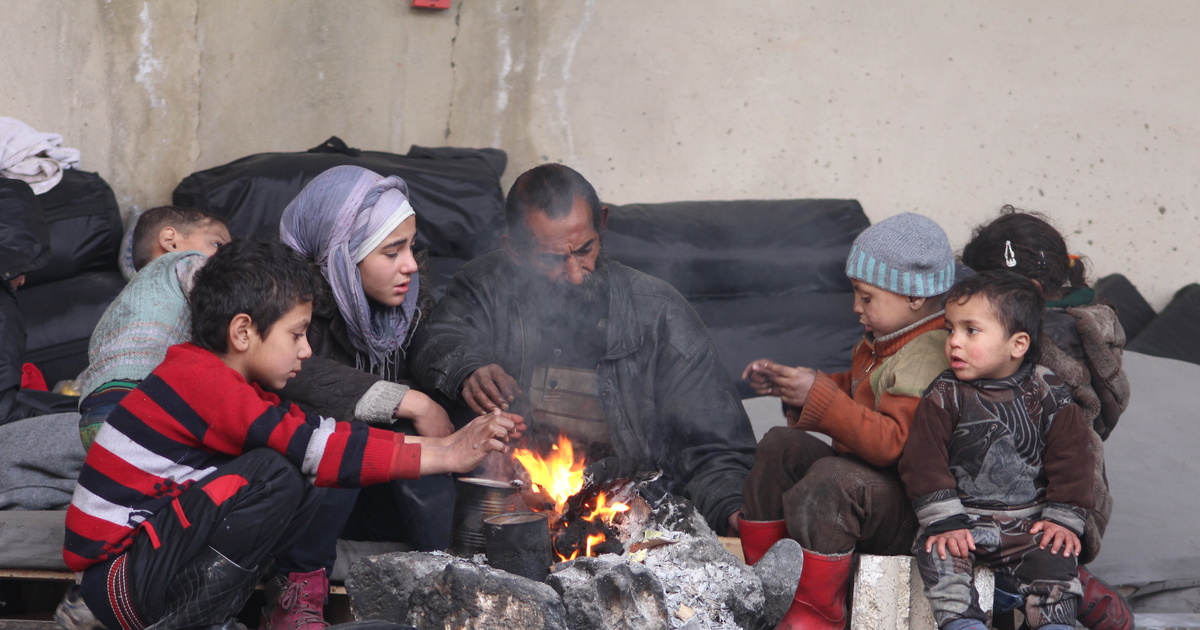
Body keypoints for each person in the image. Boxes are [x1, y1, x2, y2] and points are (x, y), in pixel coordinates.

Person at [62, 239, 522, 630]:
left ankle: (207, 616)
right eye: (297, 334)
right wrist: (447, 457)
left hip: (141, 571)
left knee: (300, 469)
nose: (305, 351)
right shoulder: (203, 384)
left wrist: (449, 443)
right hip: (117, 581)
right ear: (243, 332)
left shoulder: (234, 388)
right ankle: (192, 622)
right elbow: (316, 448)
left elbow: (322, 433)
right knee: (278, 471)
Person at [410, 162, 756, 537]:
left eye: (585, 250)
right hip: (514, 511)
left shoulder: (660, 313)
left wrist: (730, 510)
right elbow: (438, 336)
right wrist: (466, 369)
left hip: (628, 518)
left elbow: (716, 445)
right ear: (514, 249)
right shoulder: (484, 285)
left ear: (601, 222)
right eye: (552, 259)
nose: (575, 274)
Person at [738, 212, 956, 629]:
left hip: (910, 510)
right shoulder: (883, 342)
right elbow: (860, 393)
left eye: (866, 297)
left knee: (833, 478)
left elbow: (893, 443)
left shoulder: (928, 353)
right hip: (870, 489)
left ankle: (814, 614)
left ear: (914, 296)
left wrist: (819, 396)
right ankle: (762, 584)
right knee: (780, 445)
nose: (856, 308)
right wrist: (797, 387)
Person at [270, 165, 454, 630]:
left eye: (410, 247)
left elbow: (439, 343)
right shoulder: (283, 303)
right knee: (343, 437)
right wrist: (411, 401)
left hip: (380, 503)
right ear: (342, 254)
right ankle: (296, 591)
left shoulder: (408, 303)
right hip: (304, 505)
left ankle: (447, 576)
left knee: (426, 444)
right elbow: (295, 375)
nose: (410, 265)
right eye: (392, 251)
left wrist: (468, 374)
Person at [962, 206, 1132, 630]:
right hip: (1080, 492)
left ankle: (1077, 588)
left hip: (1038, 496)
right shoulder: (1092, 325)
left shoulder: (1035, 337)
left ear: (1029, 291)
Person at [898, 270, 1094, 630]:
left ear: (1017, 345)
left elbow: (1074, 458)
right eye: (950, 329)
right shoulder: (944, 393)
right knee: (939, 557)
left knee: (1055, 561)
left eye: (970, 330)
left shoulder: (1048, 391)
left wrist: (1063, 518)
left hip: (1029, 525)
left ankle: (1054, 623)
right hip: (961, 522)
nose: (954, 342)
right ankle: (963, 623)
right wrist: (944, 522)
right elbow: (923, 462)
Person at [76, 205, 232, 449]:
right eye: (218, 245)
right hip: (141, 398)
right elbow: (221, 302)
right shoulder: (184, 260)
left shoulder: (122, 303)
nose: (225, 259)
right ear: (170, 240)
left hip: (92, 415)